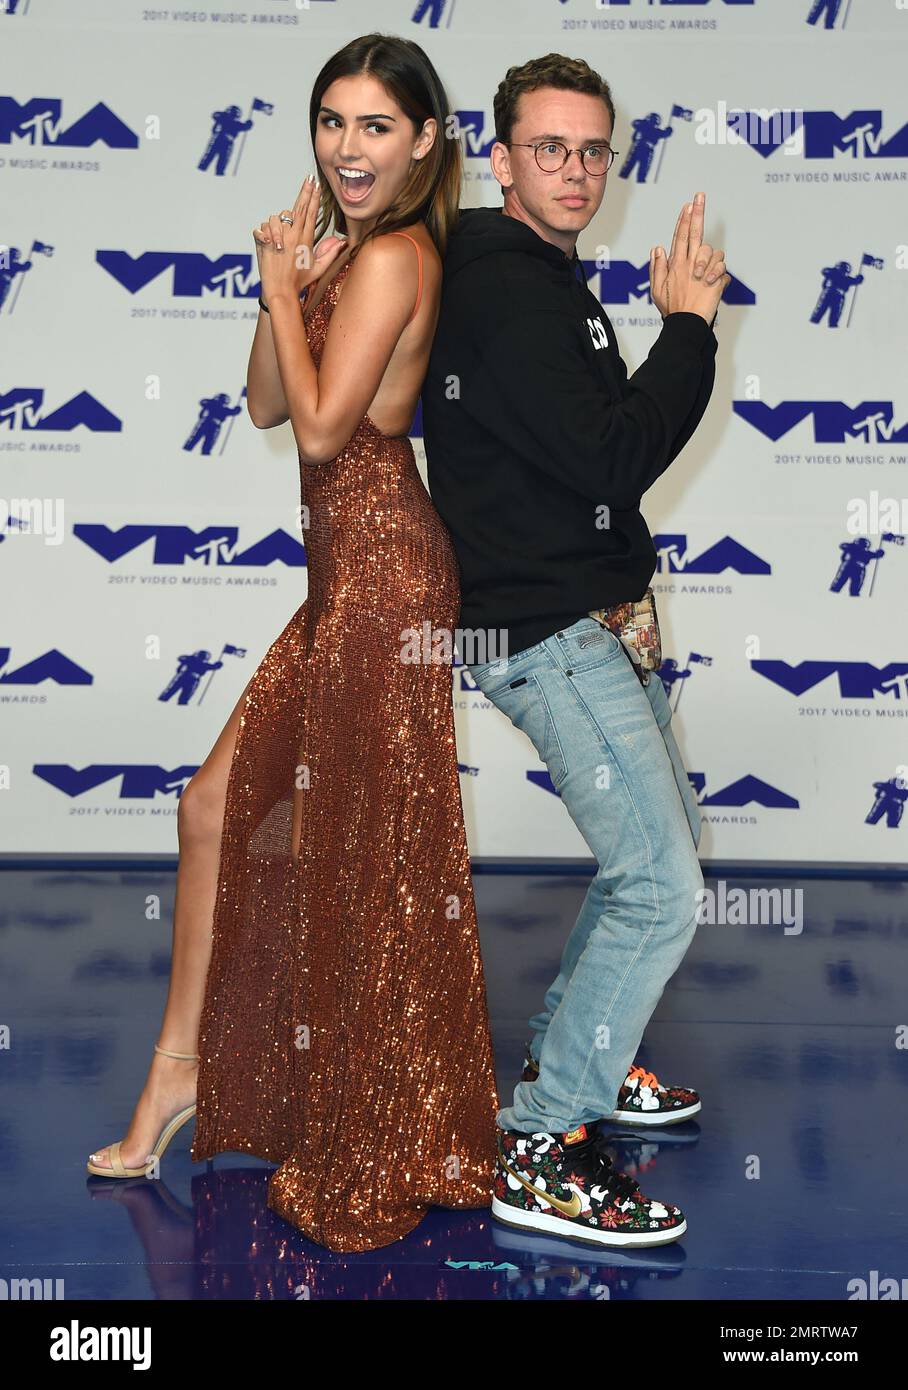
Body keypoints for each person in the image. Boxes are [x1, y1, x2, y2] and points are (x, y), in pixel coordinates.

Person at [87, 32, 500, 1253]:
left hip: (385, 586)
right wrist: (287, 274)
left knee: (360, 865)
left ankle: (380, 1119)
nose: (347, 146)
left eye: (375, 126)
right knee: (216, 807)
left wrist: (286, 286)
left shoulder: (399, 257)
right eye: (331, 121)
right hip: (348, 584)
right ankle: (179, 1074)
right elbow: (268, 399)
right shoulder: (348, 252)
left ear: (423, 140)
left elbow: (322, 437)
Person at [421, 53, 729, 1248]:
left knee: (659, 857)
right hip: (547, 631)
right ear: (497, 160)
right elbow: (612, 460)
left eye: (592, 150)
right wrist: (689, 329)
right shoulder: (505, 287)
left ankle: (577, 1054)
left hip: (586, 613)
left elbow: (577, 471)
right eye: (548, 148)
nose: (575, 170)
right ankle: (544, 1138)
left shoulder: (541, 279)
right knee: (661, 880)